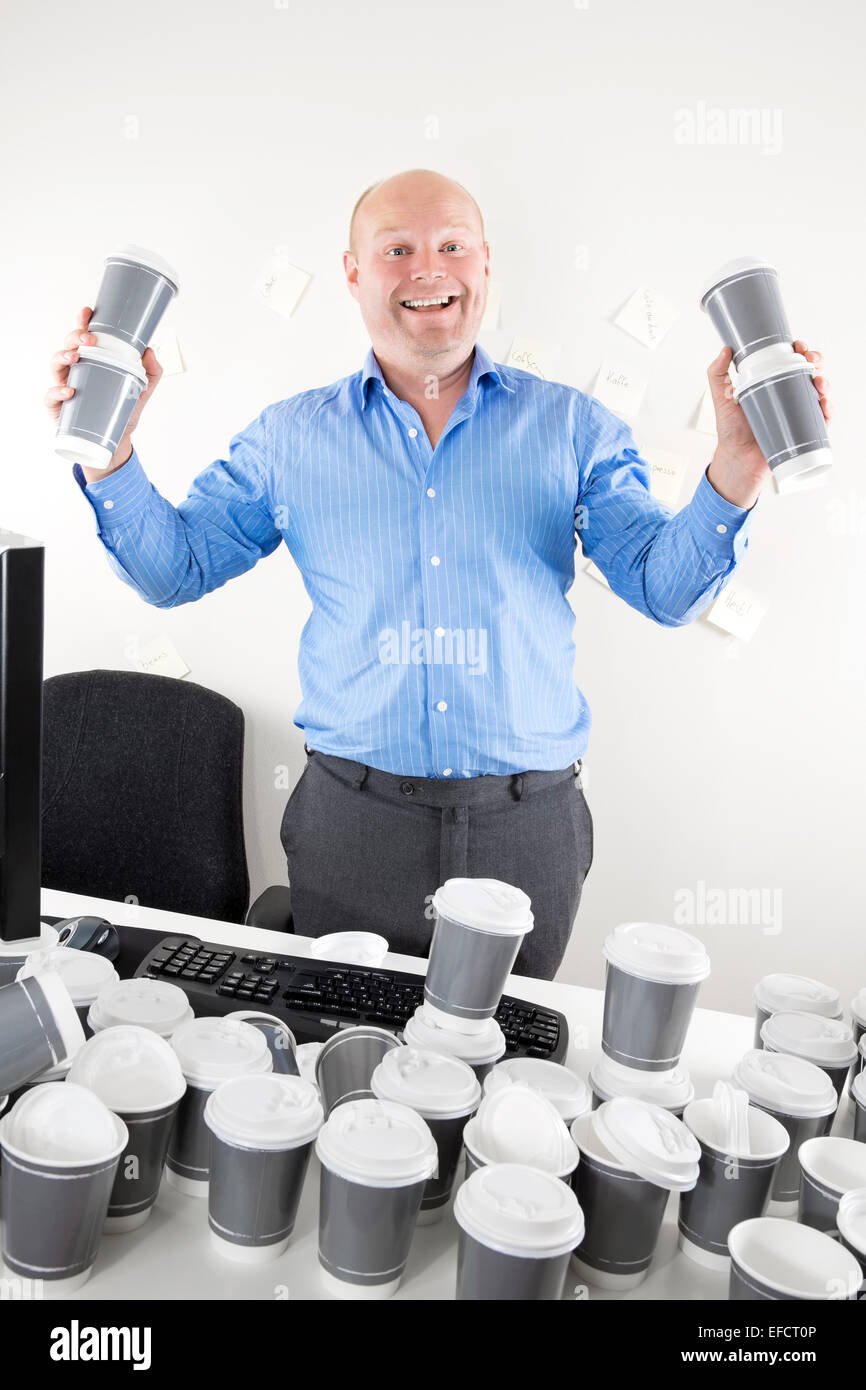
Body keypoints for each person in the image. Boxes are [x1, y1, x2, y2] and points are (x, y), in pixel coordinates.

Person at [44, 168, 833, 980]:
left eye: (452, 245)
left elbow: (663, 589)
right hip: (352, 825)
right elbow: (176, 569)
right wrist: (110, 455)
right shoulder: (291, 439)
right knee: (344, 1068)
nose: (429, 269)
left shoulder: (572, 426)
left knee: (509, 1068)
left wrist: (739, 462)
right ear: (353, 273)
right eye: (397, 249)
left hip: (528, 830)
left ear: (485, 264)